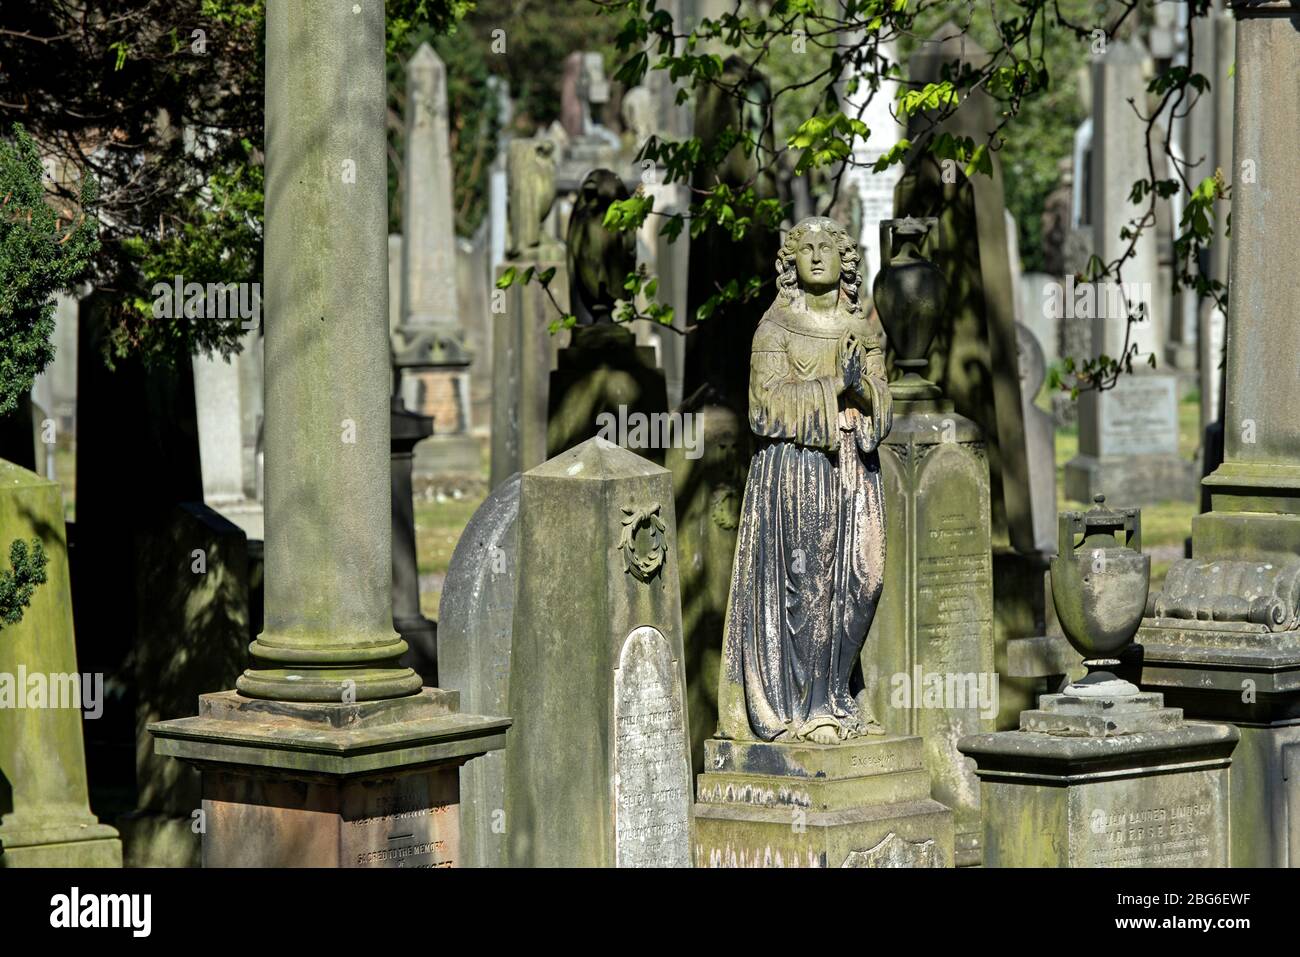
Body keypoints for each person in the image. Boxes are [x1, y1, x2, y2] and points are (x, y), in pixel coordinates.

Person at [716, 216, 892, 745]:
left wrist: (864, 395)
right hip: (798, 469)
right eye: (805, 248)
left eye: (827, 248)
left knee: (866, 578)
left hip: (855, 469)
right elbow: (762, 410)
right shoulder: (773, 331)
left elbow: (883, 406)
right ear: (790, 263)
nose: (816, 256)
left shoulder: (861, 330)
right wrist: (837, 383)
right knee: (810, 585)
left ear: (845, 261)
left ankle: (837, 691)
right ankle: (812, 707)